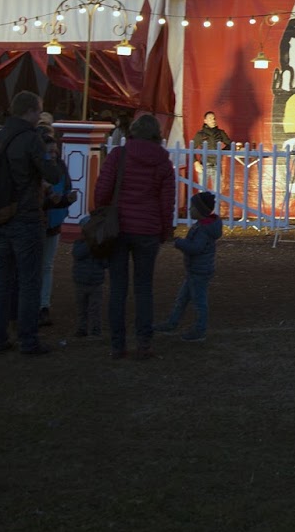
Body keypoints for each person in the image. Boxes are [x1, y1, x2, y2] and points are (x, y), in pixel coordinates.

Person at [0, 91, 66, 356]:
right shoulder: (30, 139)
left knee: (3, 279)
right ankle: (28, 338)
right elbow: (52, 174)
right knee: (30, 280)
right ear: (30, 111)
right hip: (26, 215)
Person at [91, 112, 177, 359]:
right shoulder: (163, 162)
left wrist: (105, 212)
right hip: (148, 229)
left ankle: (118, 344)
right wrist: (164, 229)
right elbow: (166, 201)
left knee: (118, 288)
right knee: (143, 288)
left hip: (119, 227)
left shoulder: (120, 155)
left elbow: (103, 189)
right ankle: (144, 342)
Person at [160, 191, 222, 341]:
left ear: (200, 210)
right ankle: (172, 322)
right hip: (198, 270)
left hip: (198, 271)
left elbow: (196, 248)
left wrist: (179, 242)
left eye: (192, 207)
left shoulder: (202, 229)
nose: (189, 209)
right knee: (184, 298)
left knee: (197, 301)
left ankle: (199, 329)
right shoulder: (205, 227)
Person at [36, 112, 75, 326]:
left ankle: (43, 304)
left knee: (47, 264)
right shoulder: (47, 167)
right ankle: (38, 303)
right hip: (43, 218)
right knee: (40, 264)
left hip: (53, 219)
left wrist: (65, 199)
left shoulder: (58, 166)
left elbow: (67, 186)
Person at [69, 235, 107, 338]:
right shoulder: (98, 244)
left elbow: (77, 254)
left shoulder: (80, 243)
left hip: (84, 281)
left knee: (87, 308)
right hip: (93, 281)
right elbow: (105, 263)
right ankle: (90, 330)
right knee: (91, 308)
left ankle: (87, 329)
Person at [192, 111, 231, 192]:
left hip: (216, 165)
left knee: (217, 193)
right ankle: (203, 205)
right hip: (203, 165)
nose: (213, 120)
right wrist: (196, 163)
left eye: (214, 118)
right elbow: (191, 149)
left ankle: (215, 205)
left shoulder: (220, 133)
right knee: (202, 193)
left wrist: (222, 152)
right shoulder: (200, 134)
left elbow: (230, 144)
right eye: (210, 118)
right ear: (205, 121)